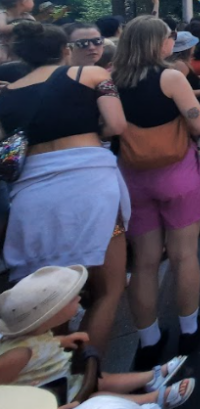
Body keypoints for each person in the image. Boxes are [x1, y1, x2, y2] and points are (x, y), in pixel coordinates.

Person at [0, 22, 128, 356]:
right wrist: (89, 131)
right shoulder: (91, 75)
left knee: (48, 301)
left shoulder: (5, 94)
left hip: (31, 195)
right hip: (91, 186)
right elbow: (116, 125)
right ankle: (88, 372)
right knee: (109, 290)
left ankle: (53, 369)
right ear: (64, 50)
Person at [112, 16, 200, 368]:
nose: (172, 40)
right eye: (169, 36)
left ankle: (149, 339)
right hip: (176, 173)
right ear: (157, 42)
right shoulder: (170, 77)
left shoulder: (111, 80)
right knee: (184, 255)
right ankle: (190, 329)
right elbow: (199, 124)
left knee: (144, 262)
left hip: (132, 177)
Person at [0, 265, 194, 408]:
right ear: (51, 314)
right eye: (71, 298)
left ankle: (151, 378)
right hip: (55, 396)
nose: (78, 298)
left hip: (65, 380)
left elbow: (40, 347)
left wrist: (62, 341)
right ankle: (153, 398)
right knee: (96, 395)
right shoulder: (18, 354)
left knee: (101, 380)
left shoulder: (38, 334)